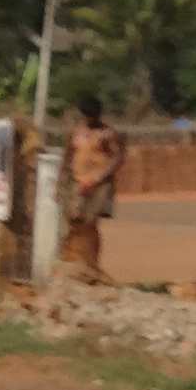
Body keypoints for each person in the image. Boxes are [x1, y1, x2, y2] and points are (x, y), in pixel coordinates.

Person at [63, 95, 125, 283]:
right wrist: (62, 177)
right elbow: (68, 155)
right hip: (76, 180)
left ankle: (93, 265)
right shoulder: (76, 132)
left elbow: (116, 158)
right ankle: (75, 261)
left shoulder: (108, 134)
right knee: (74, 220)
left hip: (99, 184)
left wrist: (97, 179)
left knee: (90, 223)